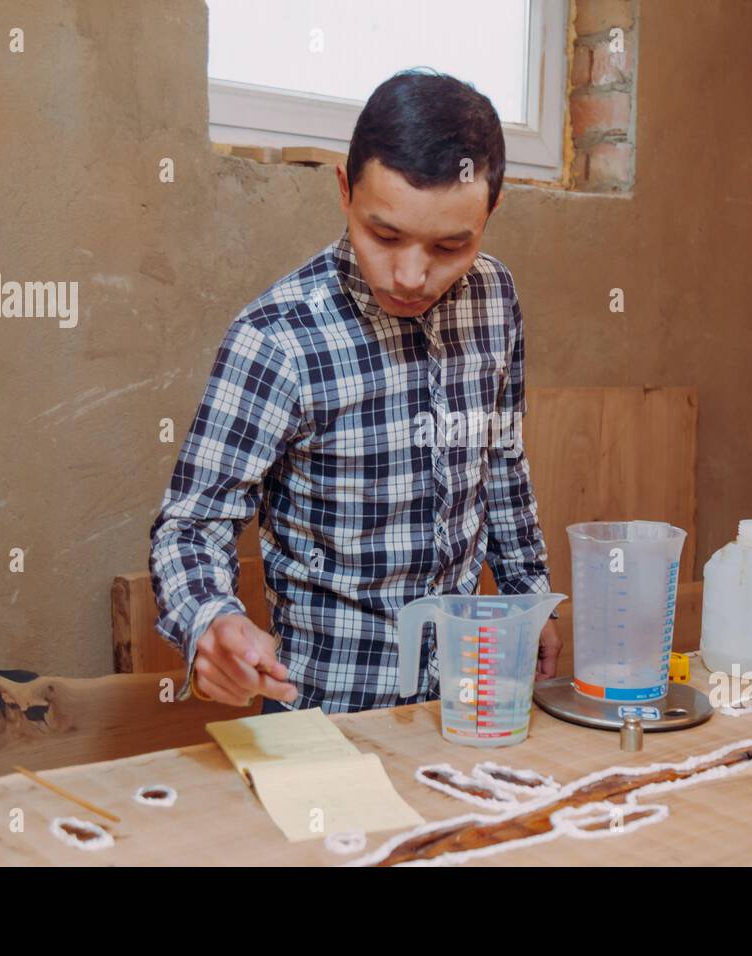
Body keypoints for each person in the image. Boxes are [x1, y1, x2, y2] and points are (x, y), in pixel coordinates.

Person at [149, 69, 558, 713]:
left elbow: (501, 459)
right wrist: (209, 618)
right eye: (385, 235)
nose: (411, 275)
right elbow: (193, 523)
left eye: (452, 244)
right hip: (326, 715)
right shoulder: (277, 338)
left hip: (463, 701)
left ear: (491, 210)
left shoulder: (495, 298)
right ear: (345, 190)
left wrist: (530, 596)